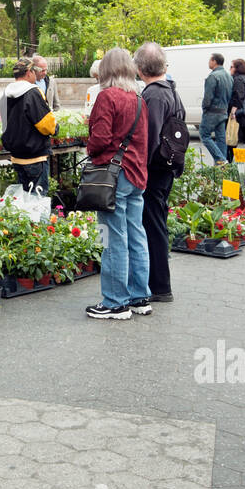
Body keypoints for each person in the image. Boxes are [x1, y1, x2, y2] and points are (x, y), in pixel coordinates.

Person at [84, 48, 150, 320]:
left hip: (112, 178)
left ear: (105, 71)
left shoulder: (106, 97)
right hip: (136, 175)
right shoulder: (138, 99)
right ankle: (140, 296)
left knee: (110, 238)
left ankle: (114, 302)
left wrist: (89, 148)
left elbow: (99, 139)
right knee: (136, 235)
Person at [134, 42, 183, 306]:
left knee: (153, 226)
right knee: (157, 223)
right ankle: (159, 284)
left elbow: (149, 137)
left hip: (155, 170)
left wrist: (139, 167)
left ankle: (160, 286)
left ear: (141, 70)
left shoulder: (153, 94)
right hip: (168, 167)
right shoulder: (171, 90)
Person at [2, 56, 57, 194]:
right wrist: (55, 128)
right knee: (37, 201)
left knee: (24, 201)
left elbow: (4, 124)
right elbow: (46, 125)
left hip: (16, 157)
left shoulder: (6, 94)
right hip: (35, 157)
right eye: (34, 71)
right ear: (28, 73)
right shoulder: (32, 92)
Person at [200, 52, 232, 164]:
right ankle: (222, 167)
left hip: (212, 111)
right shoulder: (228, 76)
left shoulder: (213, 76)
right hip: (223, 111)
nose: (209, 62)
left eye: (210, 60)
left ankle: (221, 160)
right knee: (221, 139)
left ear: (214, 61)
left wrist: (204, 108)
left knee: (204, 135)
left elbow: (208, 97)